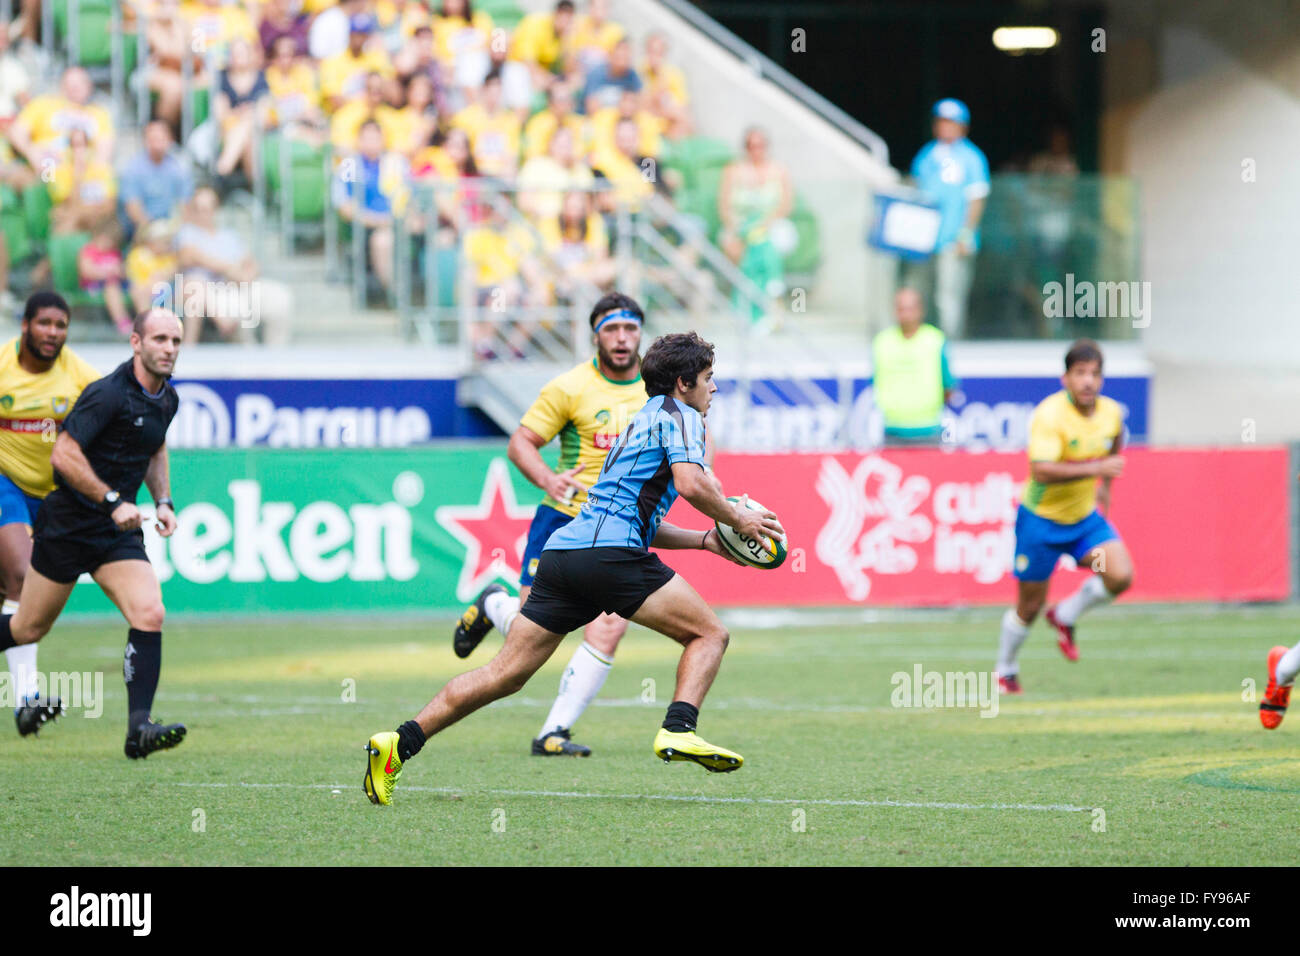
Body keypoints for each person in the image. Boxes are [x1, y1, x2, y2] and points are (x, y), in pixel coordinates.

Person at [365, 330, 783, 805]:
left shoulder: (639, 423)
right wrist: (738, 518)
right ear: (683, 383)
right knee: (709, 635)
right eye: (709, 379)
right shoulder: (683, 416)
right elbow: (691, 484)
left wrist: (706, 540)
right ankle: (678, 729)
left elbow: (641, 517)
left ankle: (397, 744)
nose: (714, 389)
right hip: (611, 556)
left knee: (505, 673)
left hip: (566, 556)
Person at [451, 294, 648, 756]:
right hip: (564, 522)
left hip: (619, 528)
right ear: (594, 334)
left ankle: (552, 733)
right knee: (532, 636)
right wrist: (547, 478)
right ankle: (495, 604)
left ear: (641, 333)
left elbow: (696, 434)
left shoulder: (655, 391)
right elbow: (521, 442)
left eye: (631, 329)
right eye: (611, 330)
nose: (622, 339)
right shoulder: (570, 387)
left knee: (609, 626)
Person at [0, 307, 188, 761]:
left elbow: (155, 446)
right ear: (136, 343)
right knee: (26, 628)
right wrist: (111, 500)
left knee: (150, 611)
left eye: (176, 341)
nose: (168, 349)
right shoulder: (106, 394)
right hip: (69, 526)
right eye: (159, 339)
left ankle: (139, 728)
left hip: (116, 535)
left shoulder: (167, 398)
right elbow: (62, 456)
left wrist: (162, 500)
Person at [994, 340, 1133, 694]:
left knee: (1118, 574)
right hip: (1041, 523)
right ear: (1065, 378)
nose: (1088, 381)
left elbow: (1114, 444)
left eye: (1095, 374)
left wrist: (1106, 486)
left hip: (1083, 523)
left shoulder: (1111, 412)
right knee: (1029, 605)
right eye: (1080, 373)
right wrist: (1097, 468)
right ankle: (1005, 668)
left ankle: (1066, 614)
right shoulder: (1049, 415)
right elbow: (1041, 470)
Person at [0, 292, 100, 737]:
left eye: (61, 325)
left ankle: (24, 702)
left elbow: (108, 419)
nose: (53, 333)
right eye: (45, 324)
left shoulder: (79, 376)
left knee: (9, 590)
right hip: (6, 482)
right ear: (25, 325)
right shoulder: (3, 367)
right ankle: (27, 699)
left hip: (53, 495)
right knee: (23, 574)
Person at [906, 98, 990, 339]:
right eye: (941, 121)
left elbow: (976, 198)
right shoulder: (927, 155)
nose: (945, 126)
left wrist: (965, 233)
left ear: (962, 126)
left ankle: (949, 346)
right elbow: (915, 191)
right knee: (919, 292)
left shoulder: (972, 157)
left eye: (951, 122)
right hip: (923, 239)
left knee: (948, 297)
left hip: (953, 240)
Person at [717, 125, 792, 319]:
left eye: (760, 145)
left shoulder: (779, 170)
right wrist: (740, 229)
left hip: (771, 224)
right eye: (751, 145)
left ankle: (771, 300)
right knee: (736, 245)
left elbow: (785, 205)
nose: (756, 149)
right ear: (746, 147)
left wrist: (764, 225)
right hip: (740, 225)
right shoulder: (733, 170)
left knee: (772, 243)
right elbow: (724, 206)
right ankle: (748, 306)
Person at [872, 287, 958, 446]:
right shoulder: (883, 342)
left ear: (920, 311)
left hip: (929, 430)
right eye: (901, 309)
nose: (906, 315)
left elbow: (948, 385)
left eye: (910, 309)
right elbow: (874, 382)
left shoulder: (935, 340)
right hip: (892, 429)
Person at [118, 121, 195, 242]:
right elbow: (133, 207)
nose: (157, 144)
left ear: (170, 140)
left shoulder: (179, 168)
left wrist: (173, 228)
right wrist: (152, 230)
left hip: (172, 228)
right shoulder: (133, 168)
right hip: (142, 229)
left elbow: (184, 204)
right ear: (145, 141)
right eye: (153, 139)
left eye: (161, 139)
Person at [77, 222, 133, 334]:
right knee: (112, 289)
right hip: (95, 285)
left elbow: (123, 271)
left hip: (116, 283)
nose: (109, 245)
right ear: (98, 236)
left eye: (113, 242)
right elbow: (86, 272)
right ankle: (122, 322)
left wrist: (120, 271)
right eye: (107, 240)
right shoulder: (89, 251)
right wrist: (105, 273)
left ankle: (145, 320)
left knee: (136, 287)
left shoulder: (114, 252)